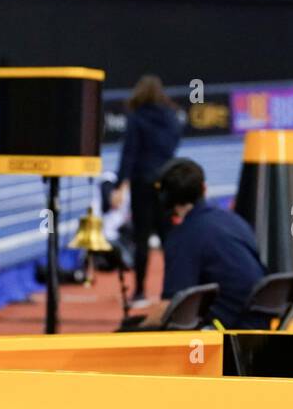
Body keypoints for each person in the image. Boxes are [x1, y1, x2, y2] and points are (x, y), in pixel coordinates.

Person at [149, 158, 268, 330]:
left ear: (165, 197)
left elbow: (169, 309)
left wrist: (133, 328)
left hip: (228, 331)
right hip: (257, 321)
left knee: (132, 332)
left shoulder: (184, 237)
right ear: (204, 188)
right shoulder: (233, 220)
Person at [112, 75, 182, 306]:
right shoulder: (172, 117)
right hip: (167, 184)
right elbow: (173, 145)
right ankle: (172, 291)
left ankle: (140, 291)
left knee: (142, 238)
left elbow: (129, 152)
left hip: (142, 182)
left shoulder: (137, 117)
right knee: (169, 239)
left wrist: (120, 184)